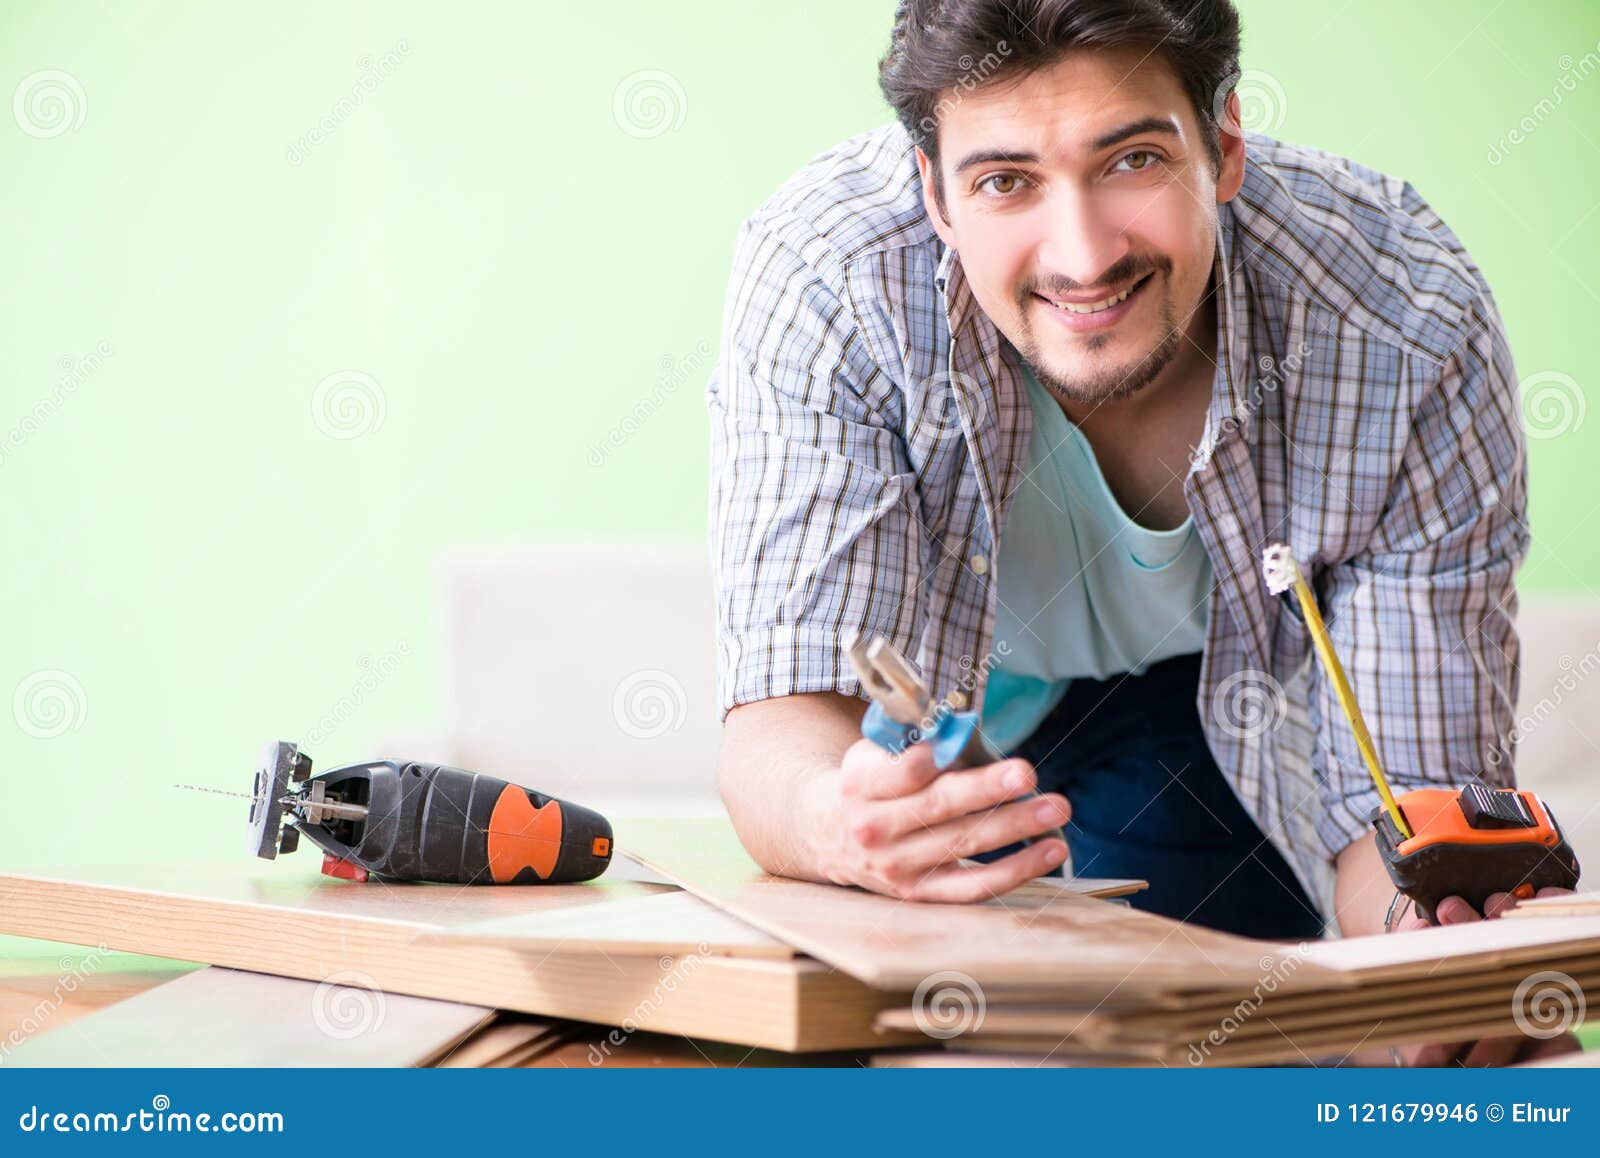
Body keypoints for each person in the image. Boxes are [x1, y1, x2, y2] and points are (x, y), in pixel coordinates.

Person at [706, 0, 1570, 1064]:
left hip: (1197, 710)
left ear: (1225, 146)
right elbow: (783, 732)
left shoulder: (1403, 321)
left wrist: (1426, 975)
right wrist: (840, 822)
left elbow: (1399, 817)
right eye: (1005, 181)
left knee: (1215, 1050)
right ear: (933, 194)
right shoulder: (827, 277)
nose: (1081, 258)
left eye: (1130, 160)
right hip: (936, 729)